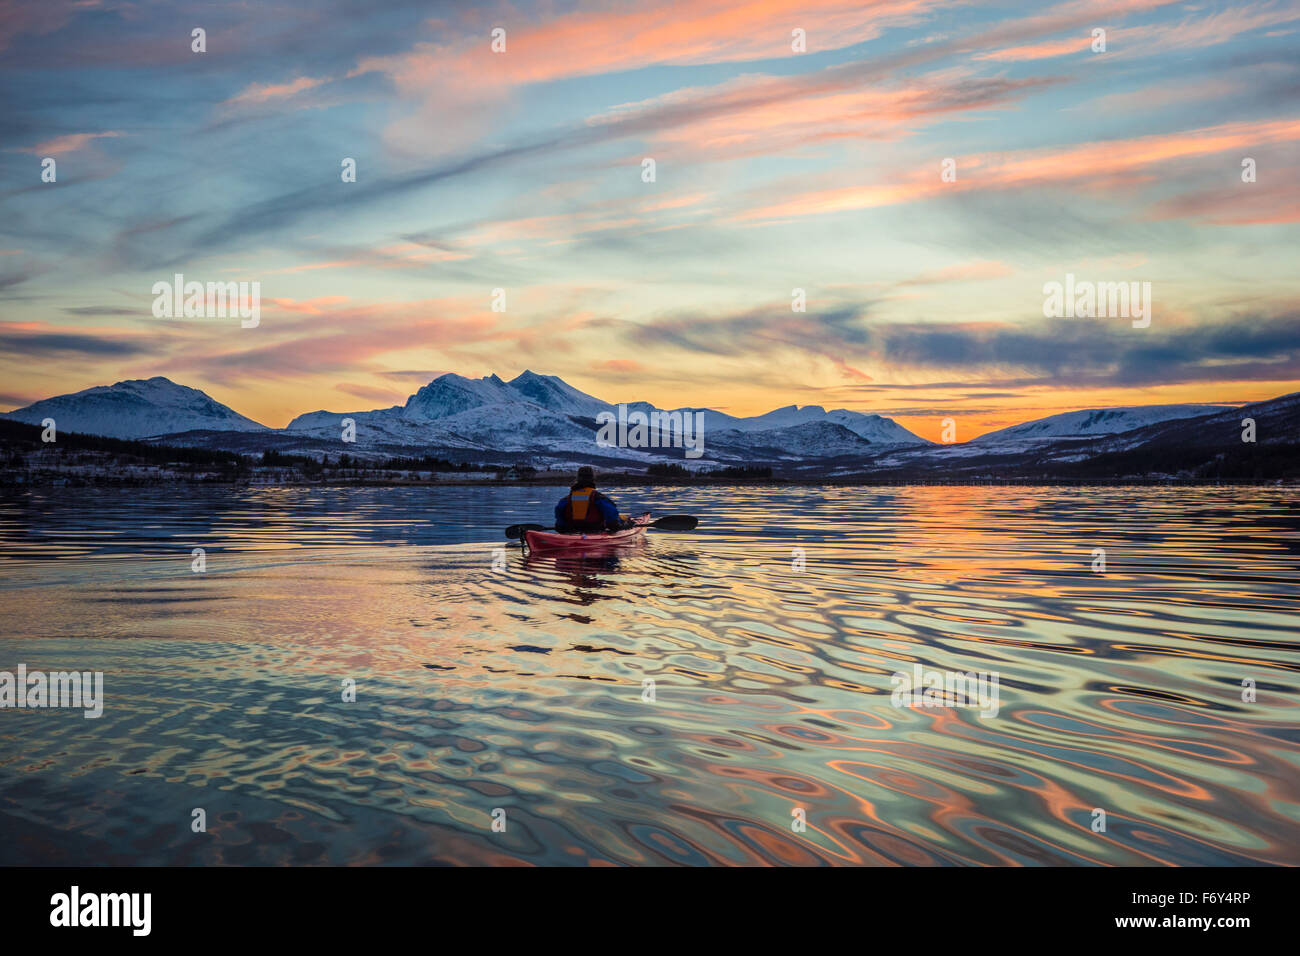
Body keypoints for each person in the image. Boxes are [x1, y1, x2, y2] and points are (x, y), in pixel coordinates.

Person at [555, 466, 625, 533]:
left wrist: (561, 526)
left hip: (572, 530)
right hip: (595, 530)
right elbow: (611, 515)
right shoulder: (598, 497)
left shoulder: (565, 499)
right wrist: (616, 526)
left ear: (577, 479)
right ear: (592, 479)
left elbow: (559, 520)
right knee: (622, 519)